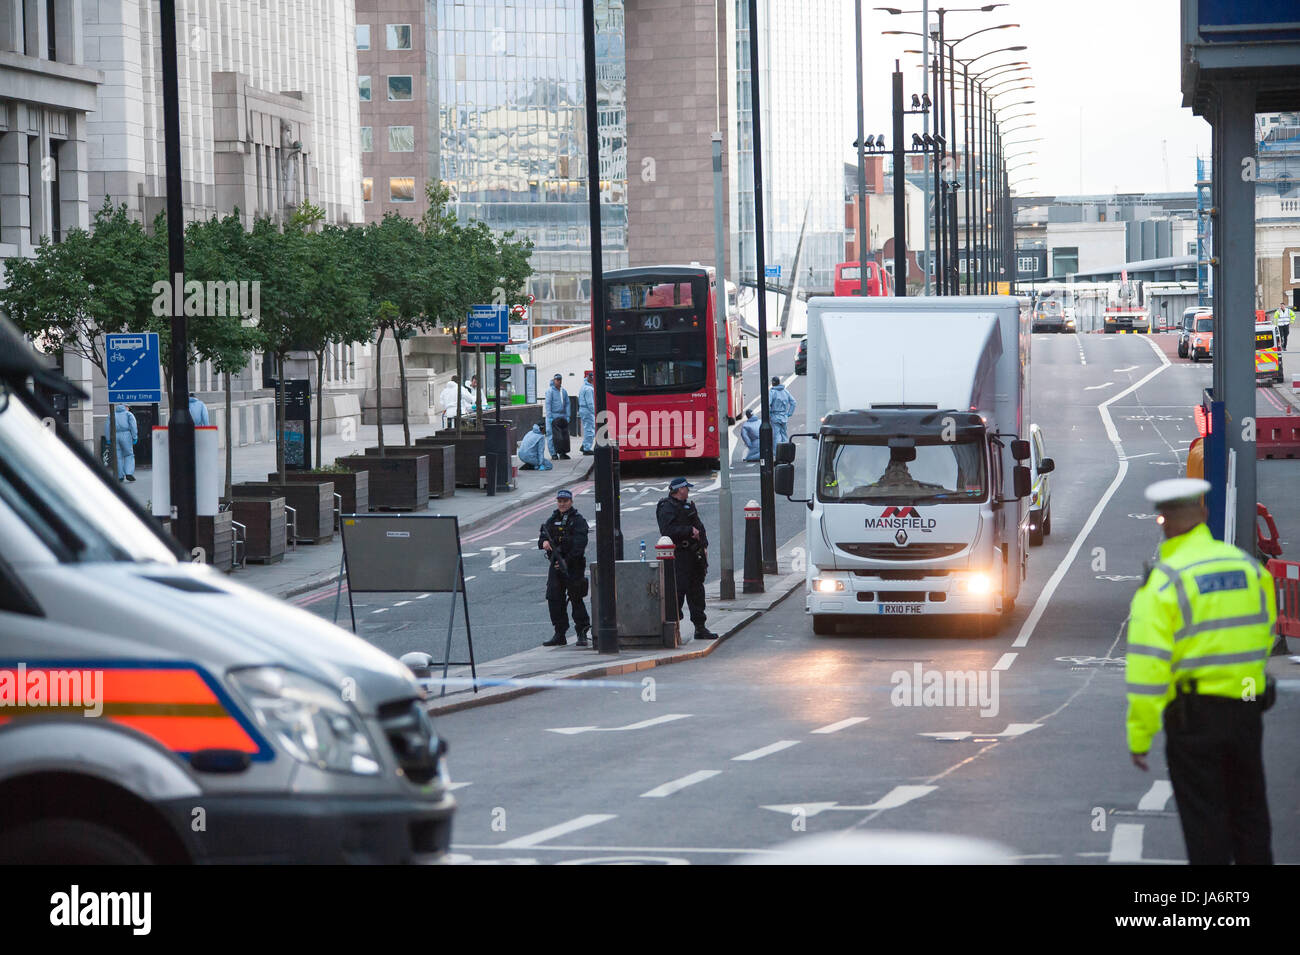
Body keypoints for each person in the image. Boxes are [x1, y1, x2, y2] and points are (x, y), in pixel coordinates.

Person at [1126, 477, 1276, 865]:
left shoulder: (1164, 583)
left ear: (1163, 522)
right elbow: (1265, 635)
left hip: (1194, 719)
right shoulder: (1250, 569)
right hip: (1246, 708)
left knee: (1205, 822)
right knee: (1251, 816)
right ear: (1205, 513)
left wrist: (1140, 735)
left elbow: (1147, 668)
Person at [656, 476, 717, 640]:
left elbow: (699, 526)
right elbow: (667, 530)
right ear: (679, 489)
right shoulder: (666, 507)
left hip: (694, 554)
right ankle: (673, 628)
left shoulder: (688, 505)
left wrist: (704, 546)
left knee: (697, 591)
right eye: (686, 488)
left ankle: (700, 627)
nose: (688, 491)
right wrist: (688, 530)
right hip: (679, 555)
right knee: (678, 591)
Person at [539, 488, 590, 646]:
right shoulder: (552, 519)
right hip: (555, 565)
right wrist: (544, 543)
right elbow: (542, 538)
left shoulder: (578, 520)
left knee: (576, 598)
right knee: (554, 598)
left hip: (573, 565)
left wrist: (567, 561)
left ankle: (582, 632)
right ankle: (559, 633)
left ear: (571, 502)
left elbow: (580, 545)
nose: (562, 504)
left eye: (565, 501)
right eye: (560, 501)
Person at [106, 403, 138, 482]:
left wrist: (108, 439)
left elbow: (107, 426)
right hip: (126, 434)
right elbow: (133, 426)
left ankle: (120, 475)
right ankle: (128, 472)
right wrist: (135, 437)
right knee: (129, 454)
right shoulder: (128, 414)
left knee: (118, 456)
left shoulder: (111, 415)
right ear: (126, 407)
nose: (129, 409)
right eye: (128, 407)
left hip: (115, 435)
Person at [545, 373, 571, 459]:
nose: (559, 381)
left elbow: (567, 403)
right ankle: (553, 453)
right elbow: (548, 404)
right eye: (557, 380)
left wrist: (568, 415)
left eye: (560, 379)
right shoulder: (550, 391)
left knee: (563, 435)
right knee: (551, 435)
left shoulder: (563, 391)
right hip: (552, 415)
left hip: (562, 416)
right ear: (554, 380)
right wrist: (549, 417)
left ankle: (562, 453)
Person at [768, 376, 796, 447]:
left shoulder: (772, 392)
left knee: (776, 436)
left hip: (775, 416)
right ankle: (785, 452)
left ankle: (777, 453)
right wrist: (789, 414)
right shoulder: (785, 391)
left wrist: (769, 414)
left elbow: (768, 404)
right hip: (784, 417)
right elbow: (793, 402)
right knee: (784, 435)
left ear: (773, 383)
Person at [578, 370, 596, 455]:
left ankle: (584, 445)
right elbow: (590, 403)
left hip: (583, 410)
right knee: (590, 430)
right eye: (592, 378)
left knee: (587, 429)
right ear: (589, 378)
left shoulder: (583, 387)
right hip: (588, 411)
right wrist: (595, 413)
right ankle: (587, 448)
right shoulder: (589, 389)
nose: (593, 380)